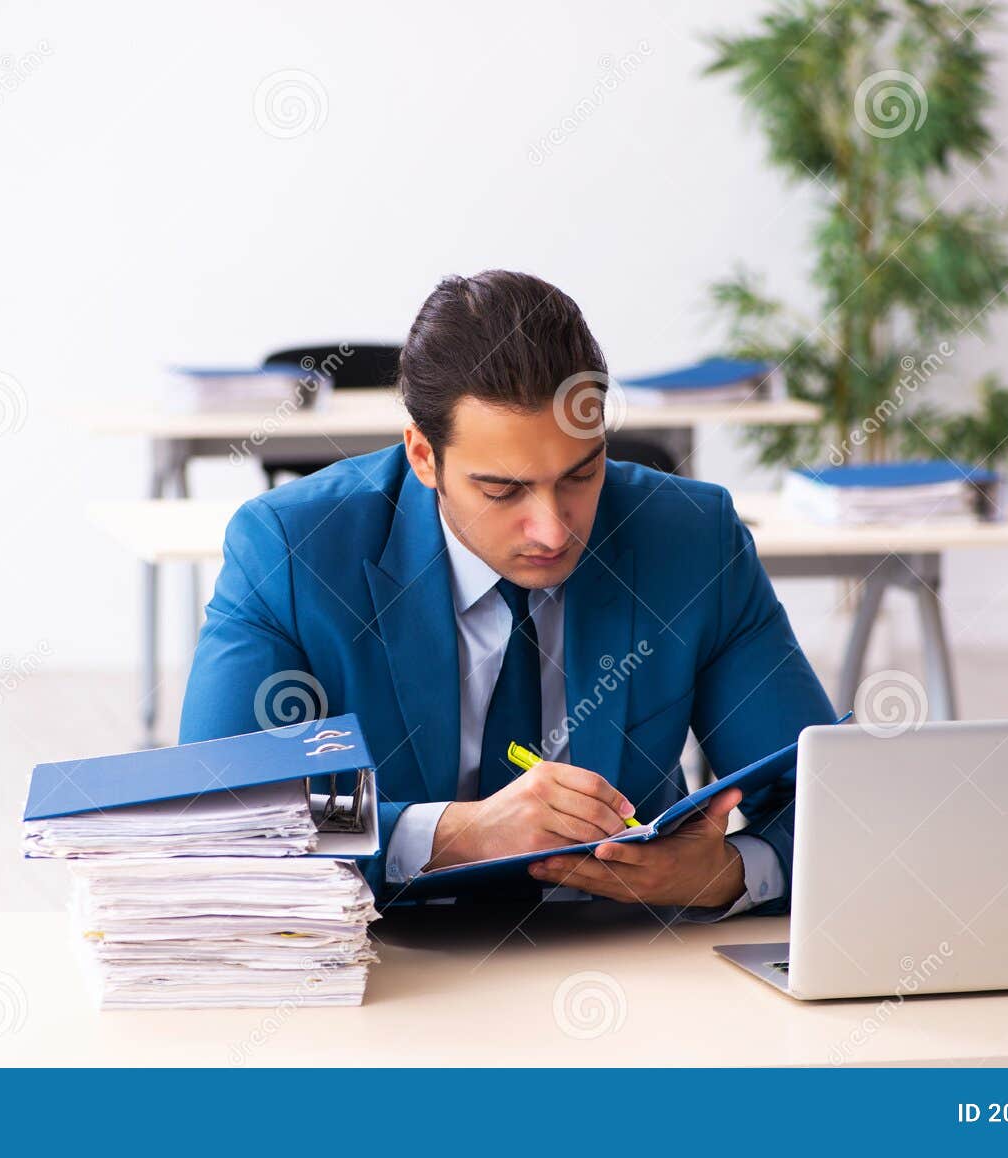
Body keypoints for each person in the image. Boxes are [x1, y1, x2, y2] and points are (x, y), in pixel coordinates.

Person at [180, 269, 834, 917]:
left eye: (580, 475)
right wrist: (446, 834)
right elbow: (219, 813)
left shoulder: (692, 540)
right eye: (502, 491)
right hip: (387, 959)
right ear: (422, 456)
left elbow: (831, 801)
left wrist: (728, 872)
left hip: (626, 956)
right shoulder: (291, 550)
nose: (552, 530)